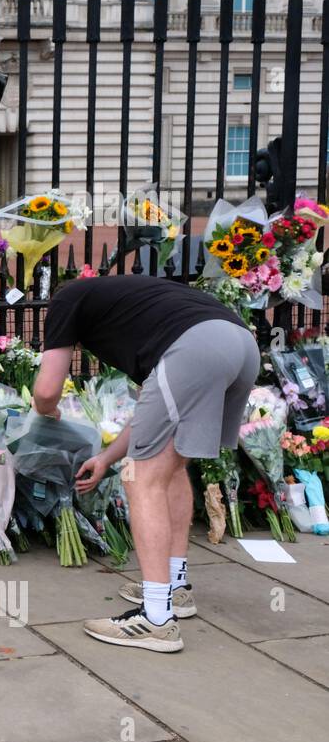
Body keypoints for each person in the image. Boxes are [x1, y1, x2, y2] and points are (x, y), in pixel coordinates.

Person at [32, 273, 259, 653]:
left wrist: (46, 413)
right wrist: (105, 457)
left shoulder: (66, 299)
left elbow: (46, 390)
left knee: (140, 478)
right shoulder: (140, 305)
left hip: (198, 349)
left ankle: (156, 619)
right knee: (169, 469)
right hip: (240, 346)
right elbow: (147, 415)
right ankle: (176, 587)